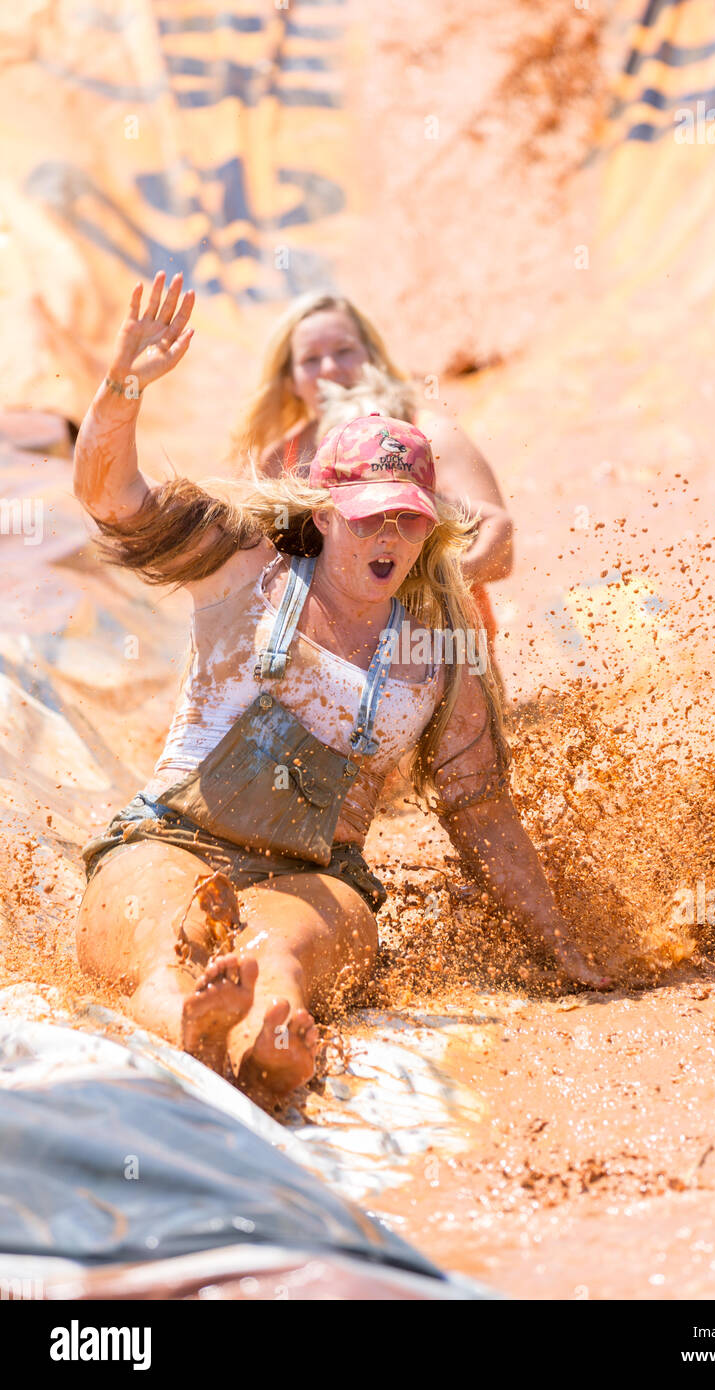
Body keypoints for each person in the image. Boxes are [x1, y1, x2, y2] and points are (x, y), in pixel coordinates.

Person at [73, 271, 608, 1117]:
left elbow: (481, 810)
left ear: (431, 521)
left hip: (319, 876)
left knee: (277, 962)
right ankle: (197, 1030)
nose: (388, 534)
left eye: (406, 516)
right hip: (169, 840)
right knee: (158, 955)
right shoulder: (246, 564)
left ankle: (268, 1047)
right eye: (367, 516)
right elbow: (111, 496)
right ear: (323, 512)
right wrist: (126, 384)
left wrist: (565, 950)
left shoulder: (443, 644)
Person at [230, 292, 511, 650]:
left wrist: (428, 581)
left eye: (344, 350)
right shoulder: (279, 461)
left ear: (373, 358)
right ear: (290, 381)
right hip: (330, 652)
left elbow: (503, 550)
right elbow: (245, 567)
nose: (331, 367)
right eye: (311, 359)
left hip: (440, 644)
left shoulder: (430, 437)